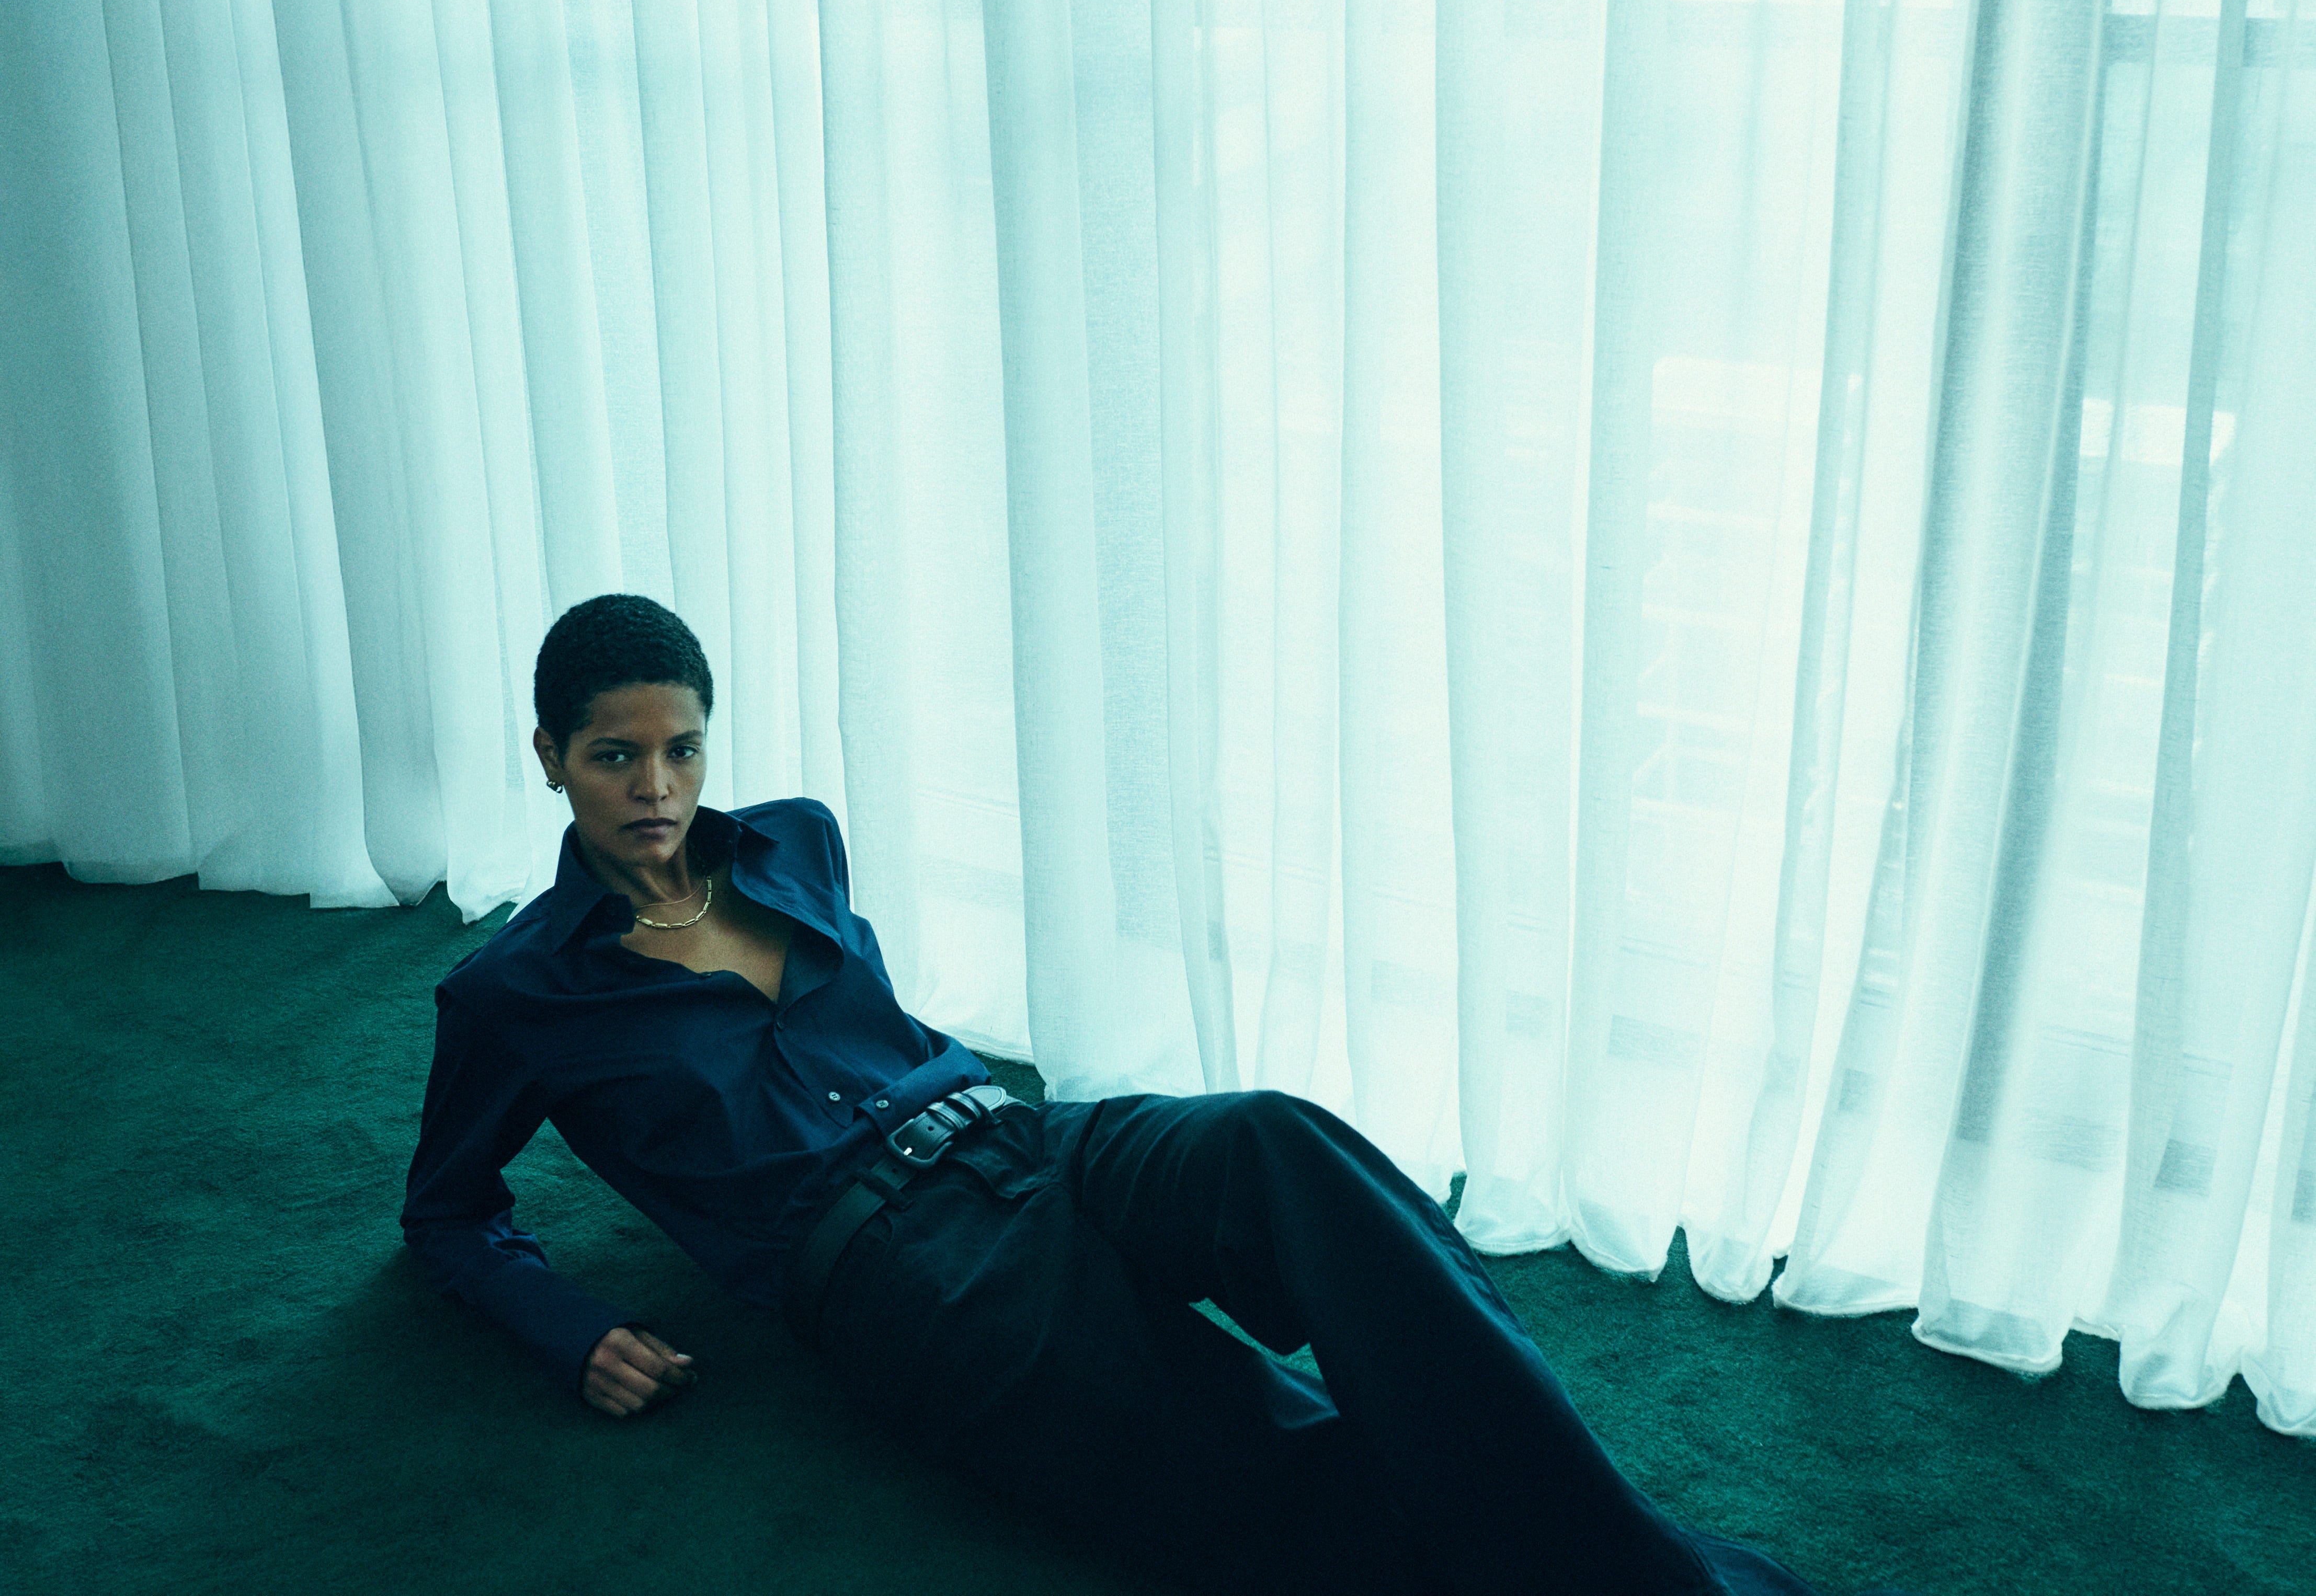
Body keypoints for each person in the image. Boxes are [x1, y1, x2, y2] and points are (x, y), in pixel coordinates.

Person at [403, 593, 1837, 1596]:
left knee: (1285, 1153)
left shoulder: (793, 843)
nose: (656, 788)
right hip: (902, 1279)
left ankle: (1659, 1578)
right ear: (551, 757)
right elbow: (448, 1216)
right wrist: (569, 1330)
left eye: (681, 749)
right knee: (1292, 1483)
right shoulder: (516, 994)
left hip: (1034, 1143)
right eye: (614, 757)